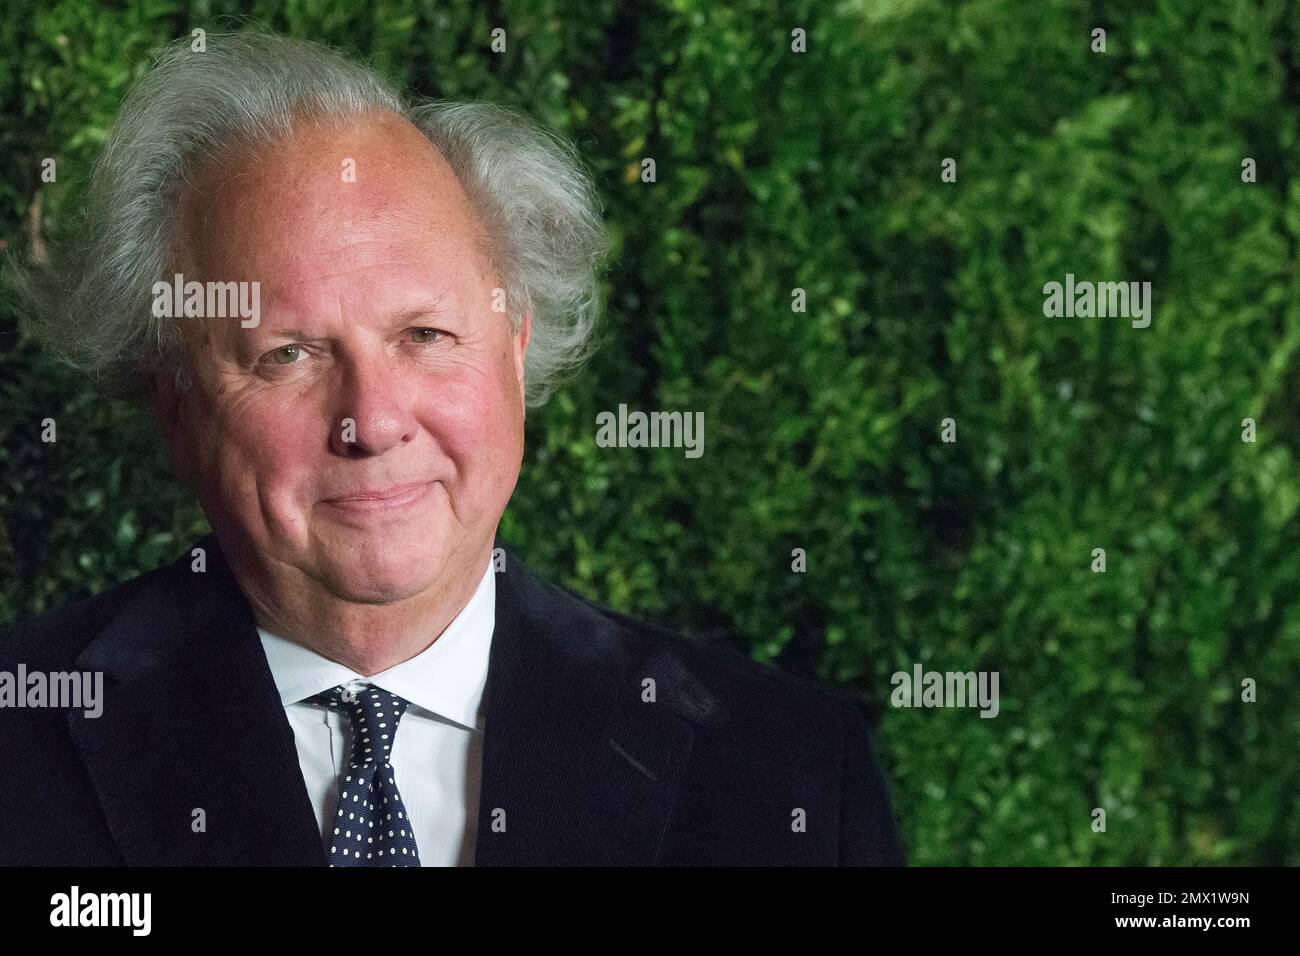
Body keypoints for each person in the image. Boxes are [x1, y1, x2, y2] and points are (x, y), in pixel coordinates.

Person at [0, 31, 904, 866]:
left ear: (515, 348)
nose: (374, 421)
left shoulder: (789, 775)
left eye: (426, 335)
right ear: (176, 404)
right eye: (288, 355)